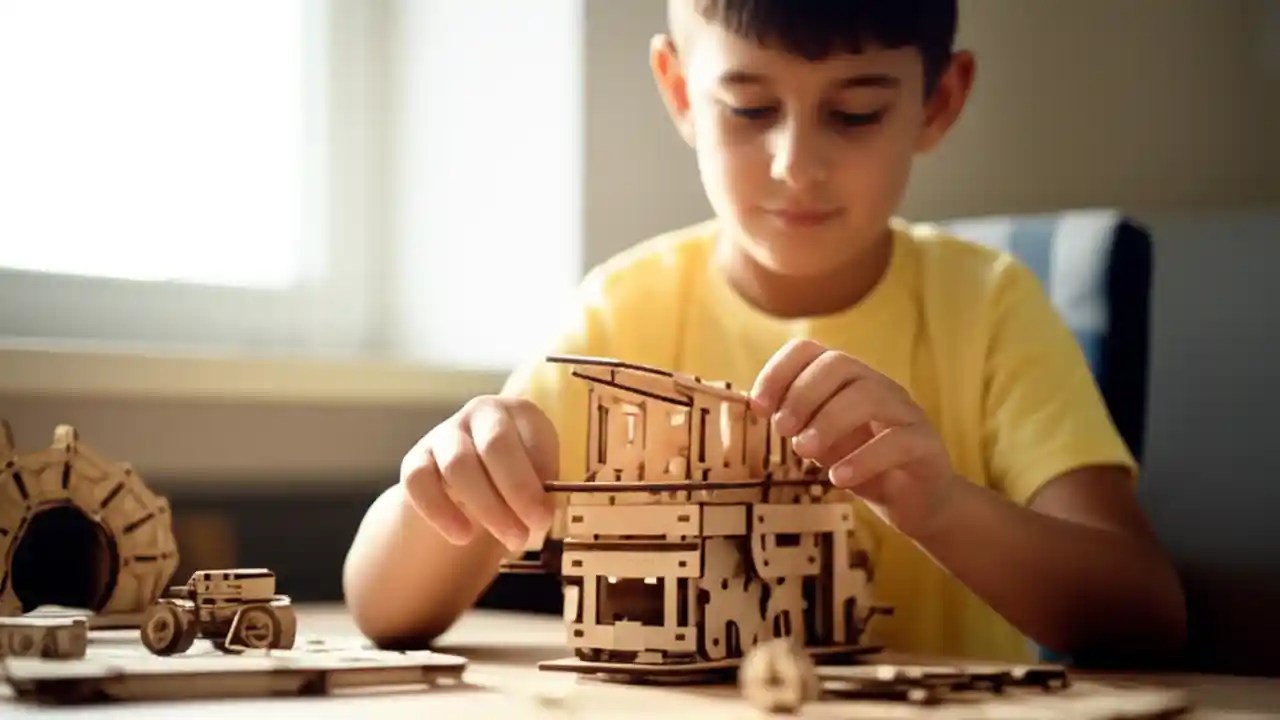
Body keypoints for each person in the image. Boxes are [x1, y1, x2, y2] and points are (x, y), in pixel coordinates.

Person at [343, 0, 1186, 663]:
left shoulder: (992, 304)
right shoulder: (622, 308)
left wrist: (939, 504)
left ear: (939, 101)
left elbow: (1145, 613)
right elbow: (382, 608)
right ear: (679, 92)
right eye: (748, 107)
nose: (795, 164)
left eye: (854, 114)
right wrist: (458, 472)